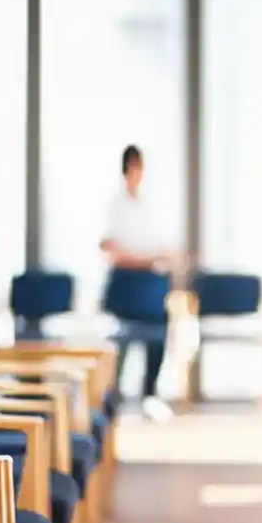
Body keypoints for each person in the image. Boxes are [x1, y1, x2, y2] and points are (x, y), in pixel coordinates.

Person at [100, 145, 178, 422]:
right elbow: (112, 250)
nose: (137, 173)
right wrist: (144, 258)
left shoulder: (152, 206)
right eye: (133, 167)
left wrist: (150, 258)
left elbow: (163, 249)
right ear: (126, 170)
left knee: (157, 339)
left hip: (151, 285)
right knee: (121, 343)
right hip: (126, 284)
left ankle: (150, 395)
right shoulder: (113, 205)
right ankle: (114, 399)